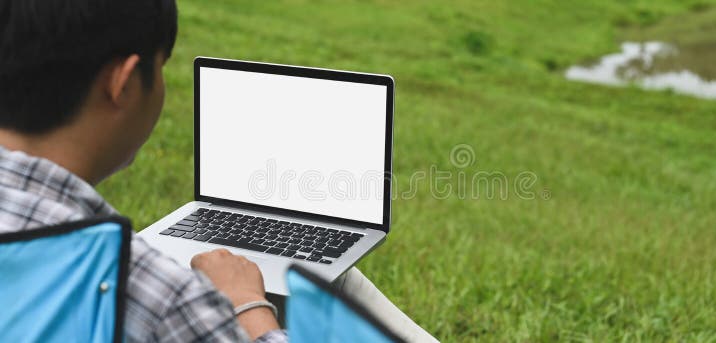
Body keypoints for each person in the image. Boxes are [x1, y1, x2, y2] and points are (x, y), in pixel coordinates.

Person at [0, 1, 436, 342]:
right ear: (126, 83)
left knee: (336, 278)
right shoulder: (156, 291)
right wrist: (246, 303)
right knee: (322, 284)